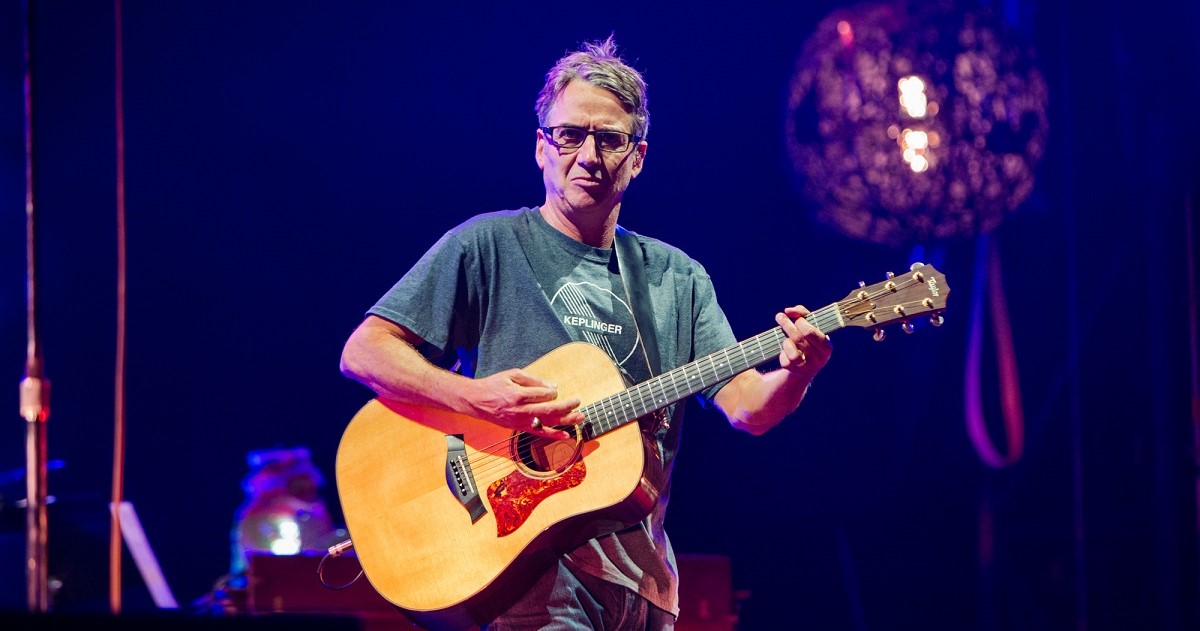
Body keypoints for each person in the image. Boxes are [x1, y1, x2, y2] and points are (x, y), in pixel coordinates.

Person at [340, 37, 832, 630]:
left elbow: (749, 409)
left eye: (610, 140)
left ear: (638, 157)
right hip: (526, 576)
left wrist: (797, 373)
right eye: (570, 135)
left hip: (643, 586)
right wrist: (474, 398)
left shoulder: (676, 278)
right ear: (541, 148)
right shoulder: (488, 245)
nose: (589, 156)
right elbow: (365, 351)